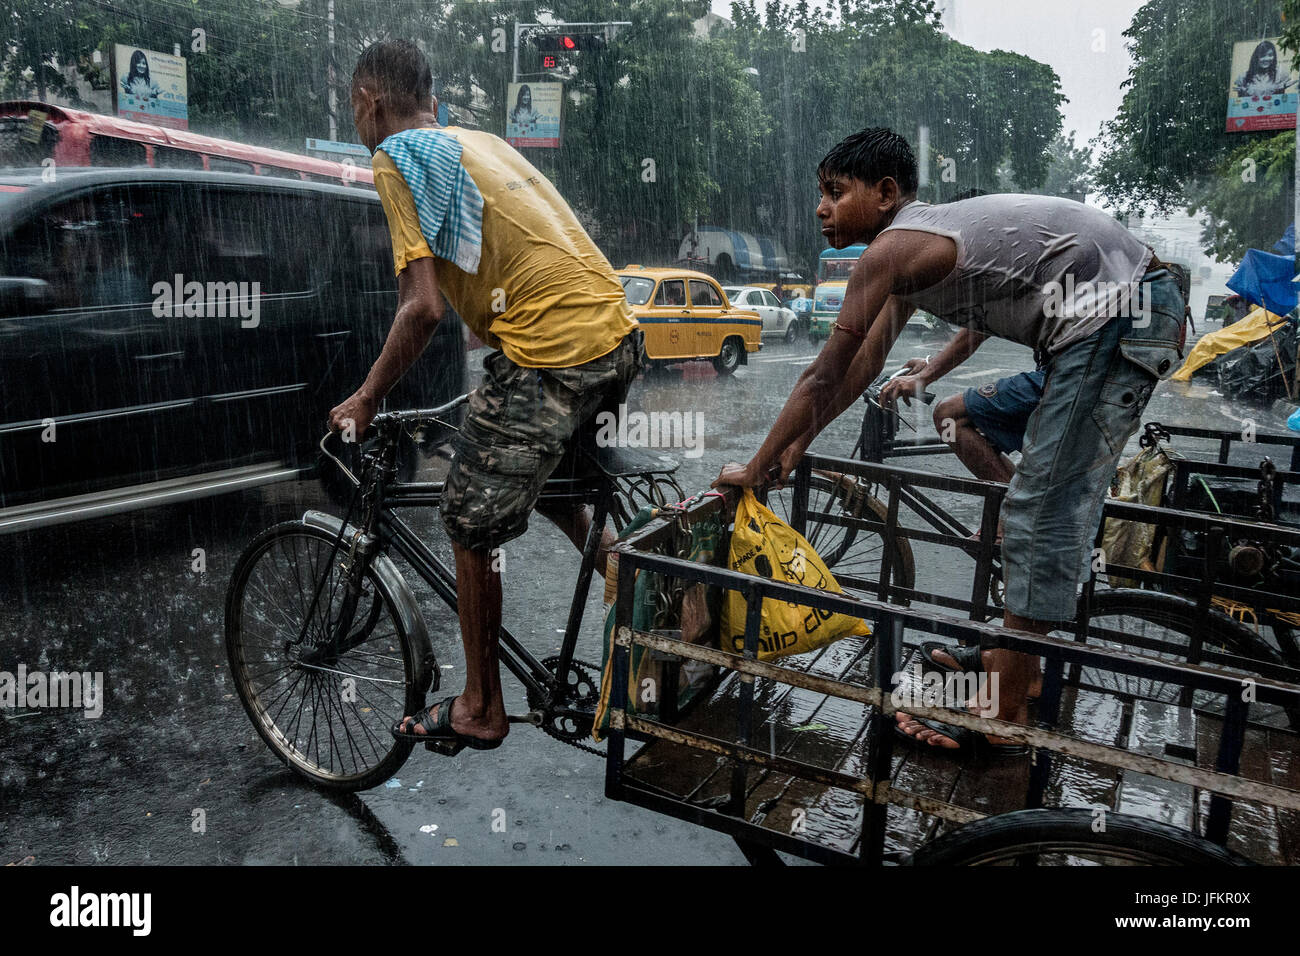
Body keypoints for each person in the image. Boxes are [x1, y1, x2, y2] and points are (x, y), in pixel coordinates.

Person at [715, 127, 1183, 757]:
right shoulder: (909, 255)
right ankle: (1024, 665)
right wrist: (794, 447)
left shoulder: (892, 249)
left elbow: (822, 372)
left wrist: (757, 464)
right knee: (1031, 504)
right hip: (1107, 319)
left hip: (1121, 313)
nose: (821, 208)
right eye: (819, 195)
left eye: (834, 191)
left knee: (1036, 511)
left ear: (885, 194)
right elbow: (861, 366)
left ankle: (1007, 708)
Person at [331, 40, 641, 752]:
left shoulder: (394, 157)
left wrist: (367, 397)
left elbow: (421, 309)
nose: (357, 122)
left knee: (468, 521)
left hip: (553, 354)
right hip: (616, 334)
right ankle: (664, 597)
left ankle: (480, 706)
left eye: (355, 110)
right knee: (563, 493)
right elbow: (505, 256)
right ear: (430, 100)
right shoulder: (477, 139)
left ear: (368, 102)